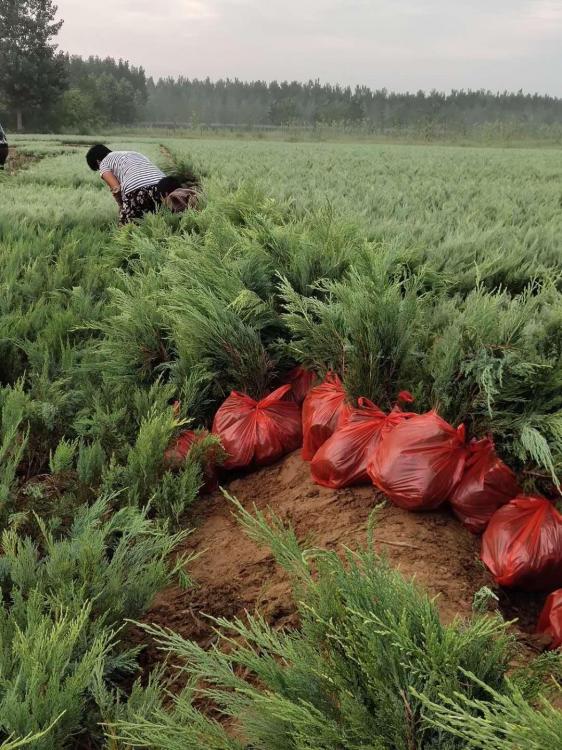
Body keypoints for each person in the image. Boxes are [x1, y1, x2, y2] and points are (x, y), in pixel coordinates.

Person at [86, 144, 166, 225]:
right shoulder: (135, 153)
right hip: (163, 186)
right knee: (162, 221)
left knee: (126, 228)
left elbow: (116, 188)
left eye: (97, 168)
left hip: (137, 189)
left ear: (97, 161)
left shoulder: (103, 163)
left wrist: (122, 207)